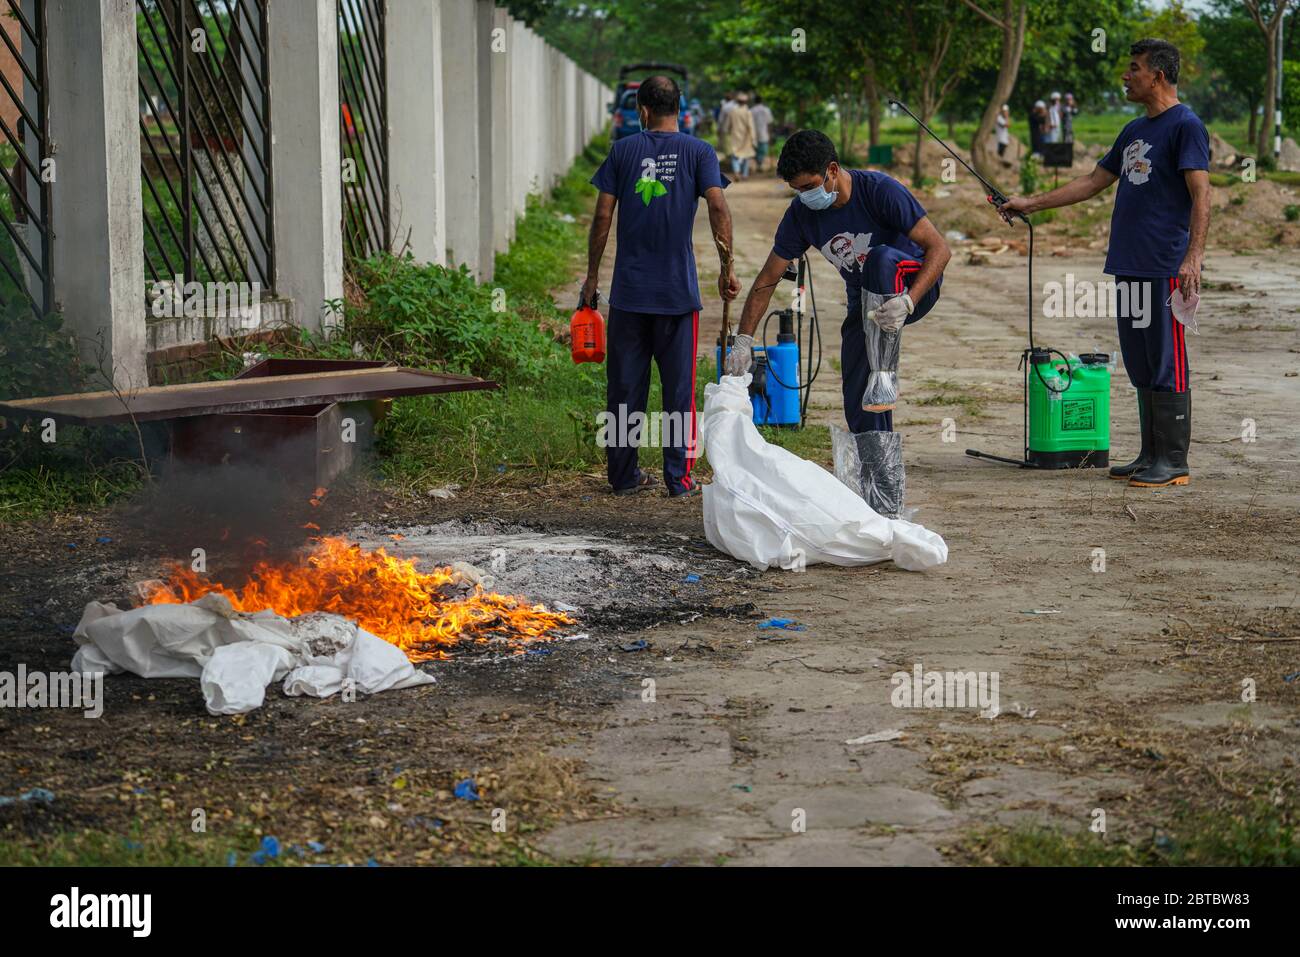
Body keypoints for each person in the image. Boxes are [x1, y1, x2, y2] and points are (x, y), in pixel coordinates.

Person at [999, 39, 1209, 488]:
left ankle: (1173, 461)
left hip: (1165, 265)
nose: (1126, 75)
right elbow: (1093, 181)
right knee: (1140, 361)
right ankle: (1150, 453)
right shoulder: (1134, 130)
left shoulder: (1186, 126)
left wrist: (1194, 256)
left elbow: (1201, 194)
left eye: (1133, 68)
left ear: (1157, 75)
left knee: (1167, 360)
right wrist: (1030, 204)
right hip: (1129, 265)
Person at [725, 130, 951, 516]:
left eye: (810, 186)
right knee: (856, 392)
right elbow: (768, 277)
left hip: (912, 284)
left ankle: (884, 374)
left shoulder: (880, 190)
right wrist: (743, 340)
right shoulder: (802, 214)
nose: (806, 197)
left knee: (879, 259)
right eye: (797, 190)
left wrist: (909, 301)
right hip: (865, 302)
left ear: (832, 171)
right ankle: (881, 501)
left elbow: (940, 249)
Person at [583, 76, 741, 498]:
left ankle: (623, 477)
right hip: (677, 296)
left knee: (624, 390)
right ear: (679, 108)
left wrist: (592, 276)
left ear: (643, 110)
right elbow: (718, 205)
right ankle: (679, 480)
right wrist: (727, 268)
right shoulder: (698, 152)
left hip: (629, 295)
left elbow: (602, 218)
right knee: (678, 394)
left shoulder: (622, 151)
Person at [727, 93, 757, 180]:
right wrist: (753, 138)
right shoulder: (748, 111)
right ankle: (744, 174)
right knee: (746, 156)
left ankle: (736, 171)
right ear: (746, 102)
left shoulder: (733, 111)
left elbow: (729, 125)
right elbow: (751, 126)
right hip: (746, 137)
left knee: (735, 155)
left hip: (735, 136)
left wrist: (729, 132)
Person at [750, 94, 773, 173]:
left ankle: (759, 164)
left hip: (753, 133)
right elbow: (769, 123)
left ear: (754, 101)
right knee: (763, 149)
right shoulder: (766, 110)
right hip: (764, 132)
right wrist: (770, 133)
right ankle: (760, 164)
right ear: (761, 101)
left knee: (756, 150)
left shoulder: (751, 110)